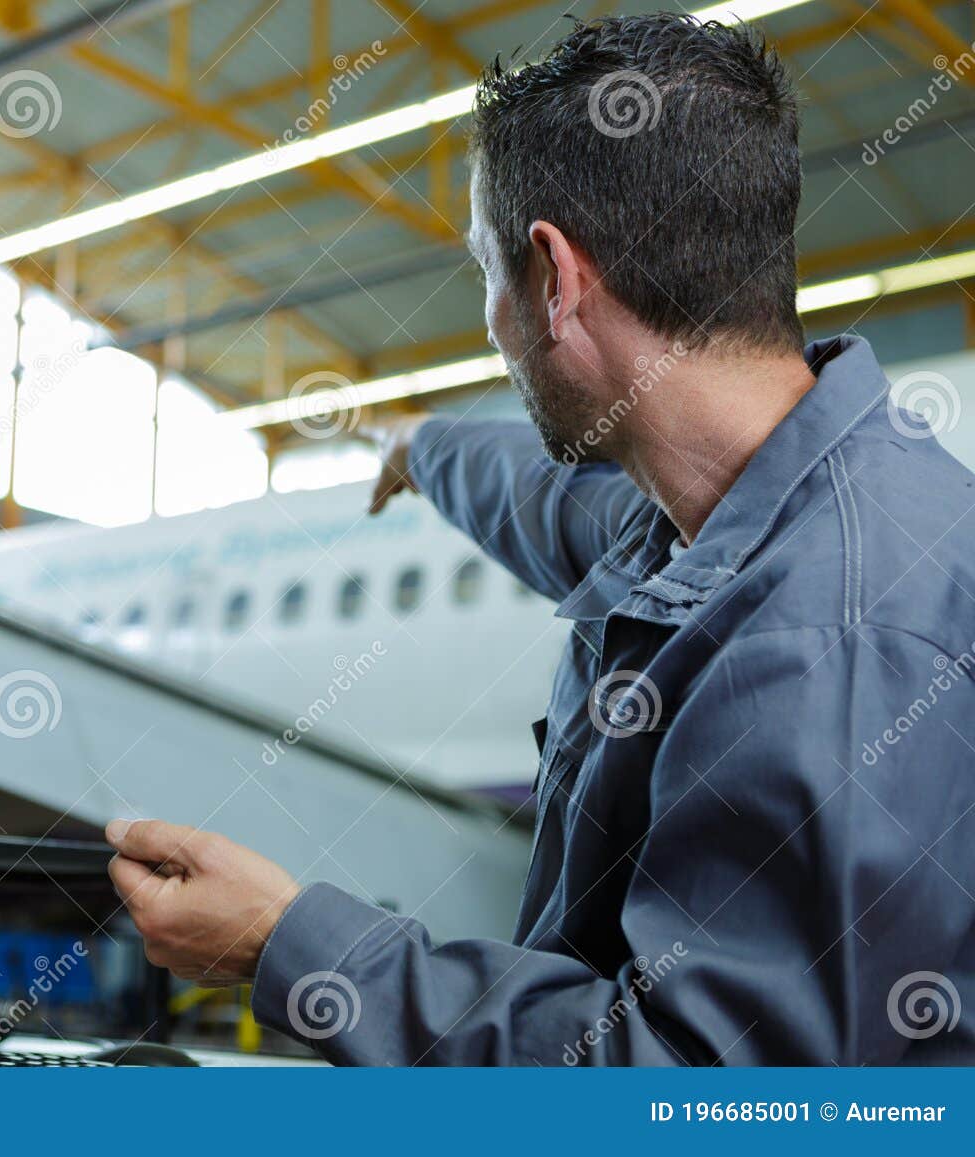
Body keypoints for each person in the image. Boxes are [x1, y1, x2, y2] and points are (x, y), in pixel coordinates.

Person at [106, 13, 975, 1064]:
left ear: (554, 281)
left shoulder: (823, 641)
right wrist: (425, 447)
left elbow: (691, 1092)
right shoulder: (718, 511)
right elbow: (550, 505)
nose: (488, 314)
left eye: (487, 270)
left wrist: (285, 943)